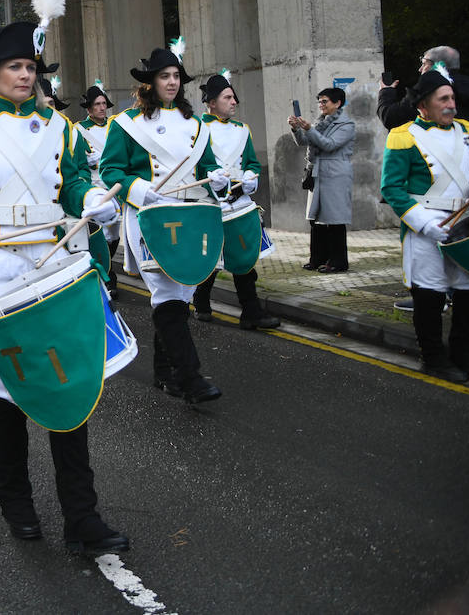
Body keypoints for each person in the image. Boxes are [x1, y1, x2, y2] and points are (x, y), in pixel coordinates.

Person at [0, 4, 129, 556]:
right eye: (14, 66)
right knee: (8, 394)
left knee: (70, 384)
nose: (25, 75)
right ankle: (16, 500)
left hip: (57, 262)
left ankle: (82, 518)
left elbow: (76, 181)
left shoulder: (58, 126)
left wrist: (90, 200)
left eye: (31, 66)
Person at [101, 42, 229, 403]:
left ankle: (164, 371)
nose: (172, 82)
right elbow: (111, 171)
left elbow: (205, 166)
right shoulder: (126, 124)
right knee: (169, 296)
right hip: (150, 215)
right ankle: (191, 378)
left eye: (176, 76)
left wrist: (217, 177)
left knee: (180, 294)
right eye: (164, 76)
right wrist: (140, 190)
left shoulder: (196, 125)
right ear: (150, 83)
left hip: (189, 214)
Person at [380, 66, 469, 382]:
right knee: (430, 296)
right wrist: (423, 224)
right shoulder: (402, 136)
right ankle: (433, 358)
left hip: (464, 225)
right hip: (426, 227)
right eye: (443, 99)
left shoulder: (467, 130)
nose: (451, 104)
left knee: (467, 292)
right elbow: (391, 188)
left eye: (452, 98)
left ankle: (463, 353)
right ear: (423, 105)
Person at [191, 72, 281, 329]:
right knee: (214, 259)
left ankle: (250, 312)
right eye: (227, 97)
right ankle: (201, 298)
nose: (234, 102)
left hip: (240, 204)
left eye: (233, 97)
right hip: (212, 205)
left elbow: (251, 161)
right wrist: (211, 178)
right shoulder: (198, 129)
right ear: (211, 102)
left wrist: (253, 175)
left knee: (243, 258)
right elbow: (195, 168)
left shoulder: (243, 130)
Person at [289, 87, 355, 273]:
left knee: (334, 219)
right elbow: (304, 141)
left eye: (324, 101)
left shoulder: (346, 124)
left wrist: (309, 128)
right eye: (319, 101)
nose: (321, 105)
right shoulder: (322, 122)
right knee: (316, 219)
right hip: (317, 171)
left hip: (335, 173)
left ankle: (338, 262)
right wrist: (296, 128)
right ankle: (318, 258)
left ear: (337, 103)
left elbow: (328, 145)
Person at [75, 81, 121, 299]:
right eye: (98, 104)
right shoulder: (79, 130)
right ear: (89, 108)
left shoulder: (116, 125)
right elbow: (76, 162)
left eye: (104, 103)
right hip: (95, 189)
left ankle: (106, 265)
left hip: (115, 188)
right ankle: (110, 277)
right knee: (101, 235)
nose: (102, 108)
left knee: (114, 236)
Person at [378, 46, 469, 128]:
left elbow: (390, 117)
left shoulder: (427, 90)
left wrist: (386, 92)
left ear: (437, 65)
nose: (420, 69)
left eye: (424, 63)